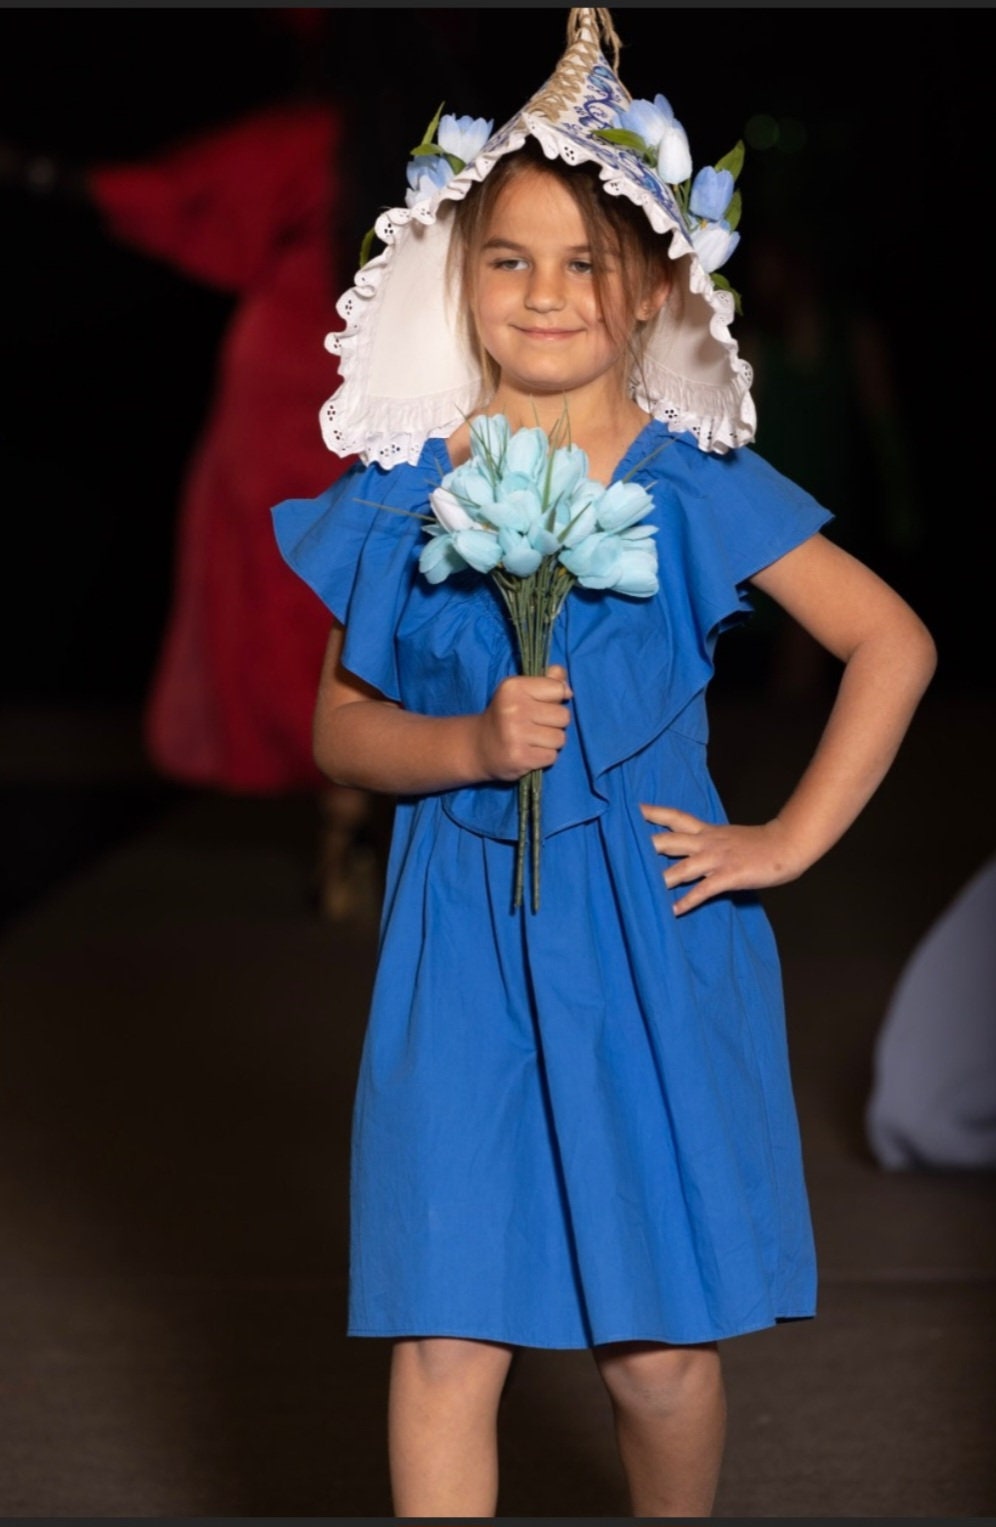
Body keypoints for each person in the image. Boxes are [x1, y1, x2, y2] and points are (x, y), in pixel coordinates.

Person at [272, 11, 936, 1517]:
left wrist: (784, 841)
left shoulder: (692, 480)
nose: (546, 294)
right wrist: (463, 743)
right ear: (460, 272)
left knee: (656, 1355)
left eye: (586, 264)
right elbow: (338, 727)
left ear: (649, 289)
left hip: (647, 939)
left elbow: (892, 643)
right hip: (456, 945)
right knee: (446, 1334)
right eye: (510, 259)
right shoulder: (405, 484)